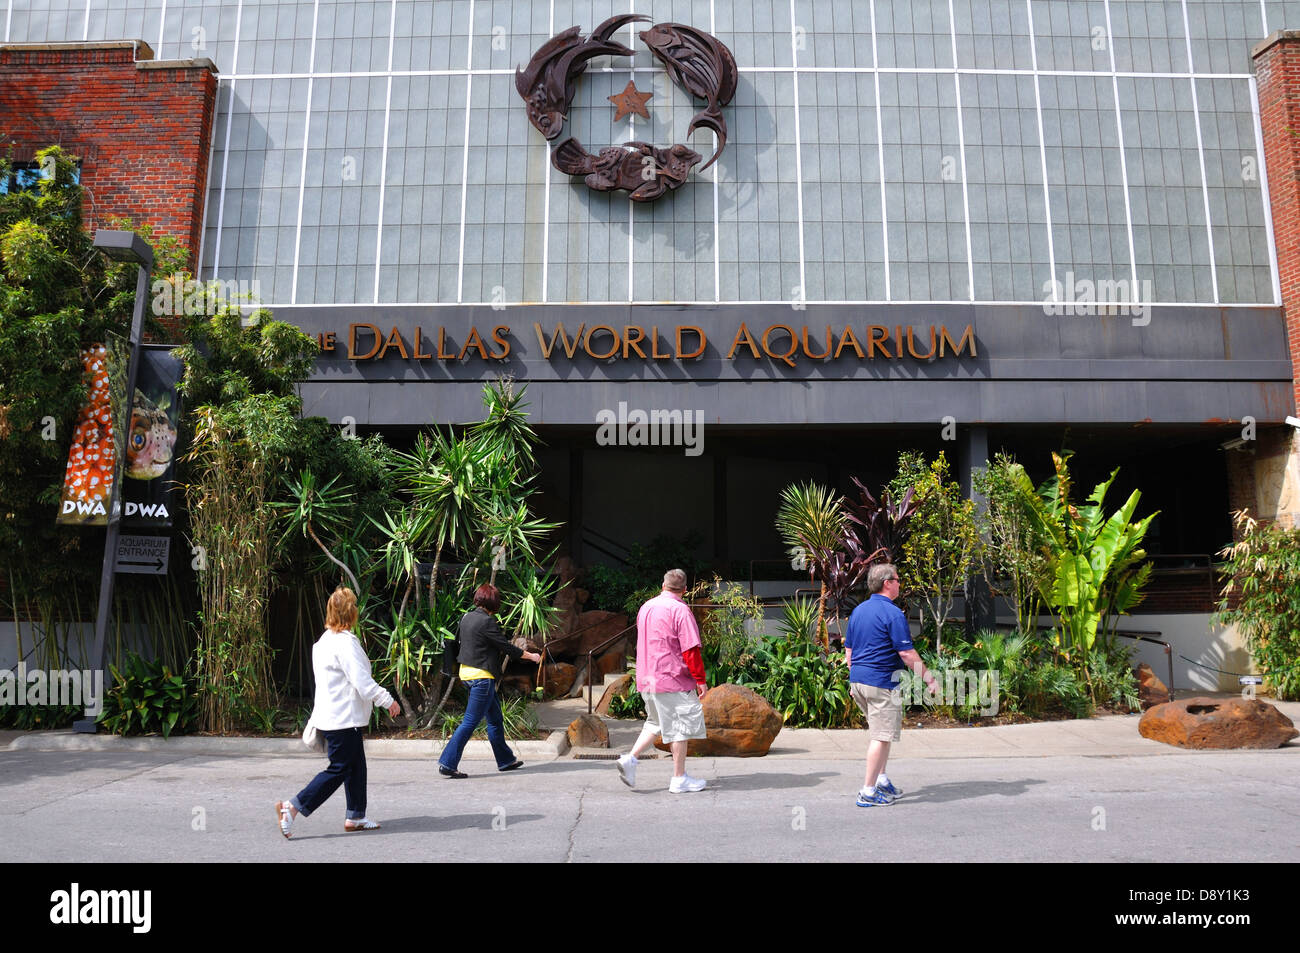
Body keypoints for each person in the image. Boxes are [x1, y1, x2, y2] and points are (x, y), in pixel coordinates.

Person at [276, 586, 400, 837]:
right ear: (352, 613)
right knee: (339, 768)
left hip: (333, 716)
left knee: (356, 766)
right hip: (343, 718)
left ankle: (356, 816)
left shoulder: (323, 642)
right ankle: (292, 807)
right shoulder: (345, 644)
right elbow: (363, 683)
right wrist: (388, 701)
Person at [842, 563, 939, 807]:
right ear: (887, 583)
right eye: (897, 579)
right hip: (881, 682)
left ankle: (881, 780)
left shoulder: (859, 611)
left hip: (860, 682)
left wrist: (854, 680)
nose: (899, 583)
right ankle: (867, 792)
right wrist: (929, 679)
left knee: (880, 733)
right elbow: (906, 653)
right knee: (881, 737)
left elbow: (849, 651)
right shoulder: (893, 614)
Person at [615, 568, 709, 793]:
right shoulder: (680, 610)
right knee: (679, 728)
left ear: (663, 586)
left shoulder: (646, 607)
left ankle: (630, 759)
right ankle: (679, 778)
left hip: (648, 677)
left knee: (654, 722)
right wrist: (701, 680)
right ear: (685, 590)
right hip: (672, 678)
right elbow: (690, 650)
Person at [437, 583, 542, 778]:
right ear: (493, 602)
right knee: (469, 722)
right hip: (481, 678)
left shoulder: (466, 617)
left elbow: (463, 643)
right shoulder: (487, 622)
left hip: (467, 674)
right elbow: (506, 647)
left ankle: (505, 760)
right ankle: (447, 763)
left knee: (495, 719)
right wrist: (531, 656)